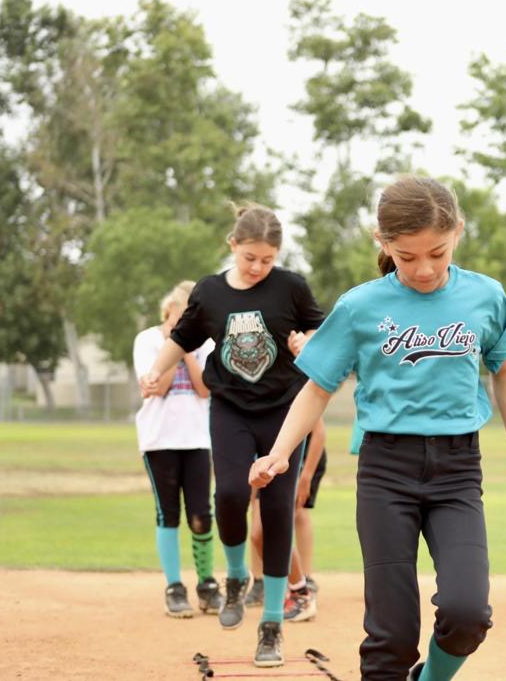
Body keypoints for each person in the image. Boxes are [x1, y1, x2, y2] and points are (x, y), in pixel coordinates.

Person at [250, 175, 506, 681]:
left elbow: (505, 368)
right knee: (392, 634)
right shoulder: (361, 306)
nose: (424, 268)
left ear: (458, 233)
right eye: (407, 257)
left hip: (456, 471)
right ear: (382, 244)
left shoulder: (486, 297)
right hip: (387, 472)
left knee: (468, 614)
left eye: (438, 253)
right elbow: (318, 386)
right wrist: (278, 453)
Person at [139, 203, 325, 667]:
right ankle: (237, 577)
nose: (259, 267)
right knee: (230, 496)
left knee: (280, 507)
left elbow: (324, 332)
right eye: (250, 258)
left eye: (268, 258)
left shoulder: (291, 287)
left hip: (284, 410)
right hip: (230, 409)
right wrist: (155, 372)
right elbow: (181, 337)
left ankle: (272, 627)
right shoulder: (210, 292)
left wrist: (309, 344)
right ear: (233, 246)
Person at [133, 280, 222, 618]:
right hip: (160, 439)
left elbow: (203, 389)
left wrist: (185, 347)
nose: (183, 320)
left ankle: (206, 583)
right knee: (167, 514)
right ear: (168, 311)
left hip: (198, 438)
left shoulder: (204, 344)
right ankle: (174, 586)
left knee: (201, 515)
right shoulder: (146, 341)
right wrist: (173, 345)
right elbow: (157, 387)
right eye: (179, 313)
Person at [245, 418, 327, 624]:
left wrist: (306, 476)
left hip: (300, 461)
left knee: (291, 518)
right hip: (267, 461)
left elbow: (318, 433)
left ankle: (302, 585)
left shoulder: (296, 386)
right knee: (258, 530)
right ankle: (275, 582)